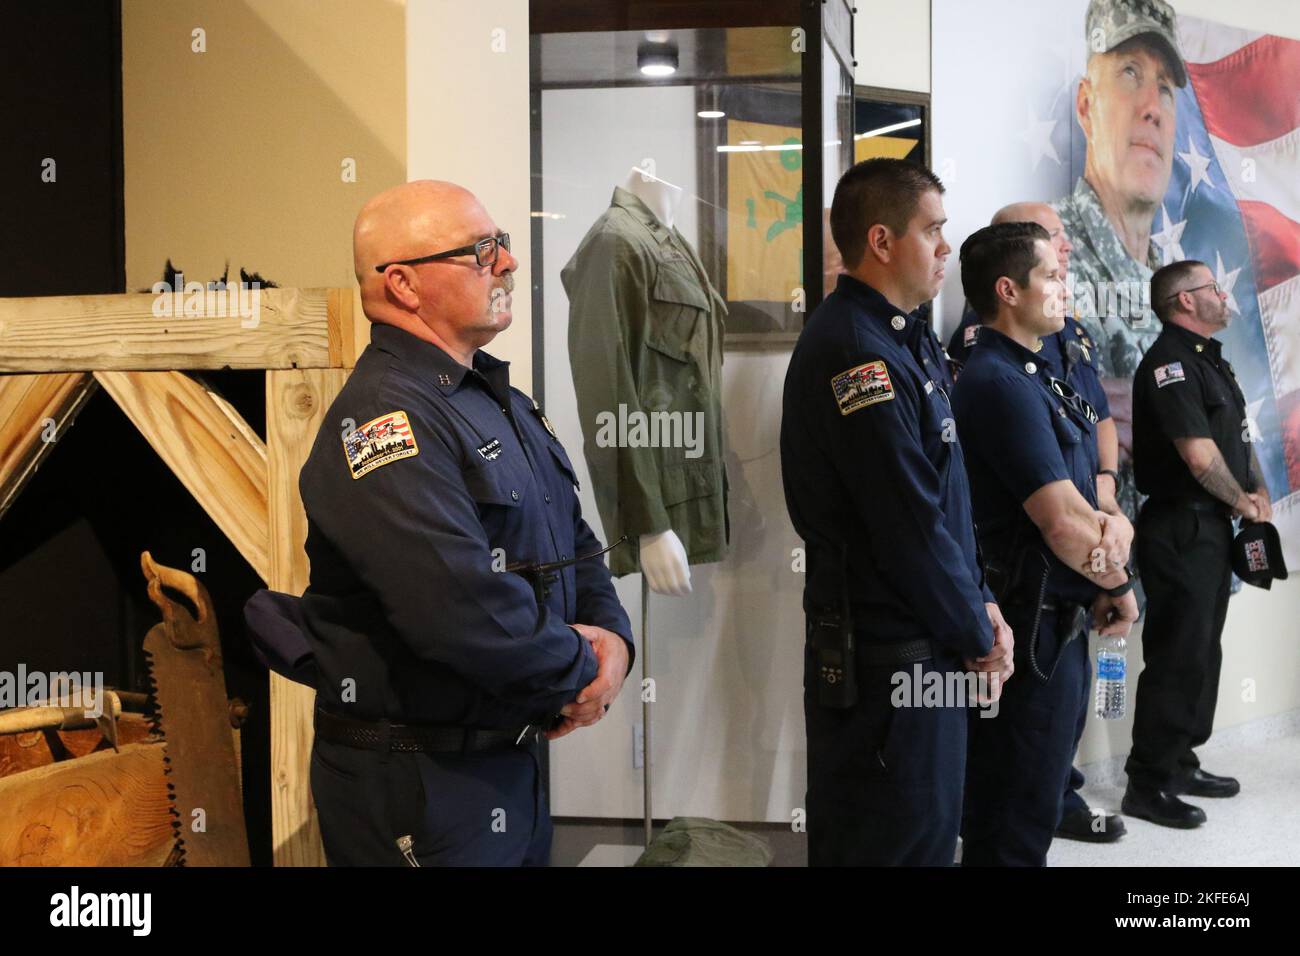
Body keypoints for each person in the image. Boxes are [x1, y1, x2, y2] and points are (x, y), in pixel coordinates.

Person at [297, 180, 634, 866]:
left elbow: (574, 546)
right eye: (481, 252)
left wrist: (616, 647)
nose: (506, 264)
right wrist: (578, 669)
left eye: (501, 244)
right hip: (423, 782)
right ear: (404, 285)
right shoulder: (384, 420)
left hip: (510, 763)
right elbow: (456, 604)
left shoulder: (495, 399)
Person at [781, 158, 1014, 866]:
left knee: (929, 833)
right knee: (893, 842)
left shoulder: (905, 338)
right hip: (890, 660)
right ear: (881, 242)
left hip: (927, 640)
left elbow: (947, 496)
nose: (948, 247)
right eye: (933, 231)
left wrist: (982, 602)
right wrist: (977, 631)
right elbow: (905, 521)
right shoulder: (856, 352)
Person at [952, 222, 1137, 866]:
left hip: (1060, 615)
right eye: (1052, 276)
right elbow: (1061, 523)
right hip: (1030, 626)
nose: (1065, 287)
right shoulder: (999, 382)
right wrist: (1117, 580)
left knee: (1029, 801)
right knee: (1014, 815)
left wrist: (1114, 524)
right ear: (1008, 290)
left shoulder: (1038, 372)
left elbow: (1090, 499)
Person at [1123, 259, 1268, 828]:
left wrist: (1254, 488)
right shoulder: (1170, 365)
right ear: (1184, 301)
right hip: (1180, 526)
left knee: (1203, 649)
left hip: (1211, 525)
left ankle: (1180, 759)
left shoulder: (1209, 360)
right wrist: (1241, 502)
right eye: (1212, 287)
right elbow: (1197, 454)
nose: (1221, 293)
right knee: (1177, 654)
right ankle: (1147, 781)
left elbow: (1235, 437)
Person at [1054, 0, 1189, 525]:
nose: (1152, 106)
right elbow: (998, 422)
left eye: (1166, 88)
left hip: (1176, 592)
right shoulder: (1041, 257)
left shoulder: (1180, 289)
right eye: (1130, 73)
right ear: (1086, 106)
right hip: (1089, 598)